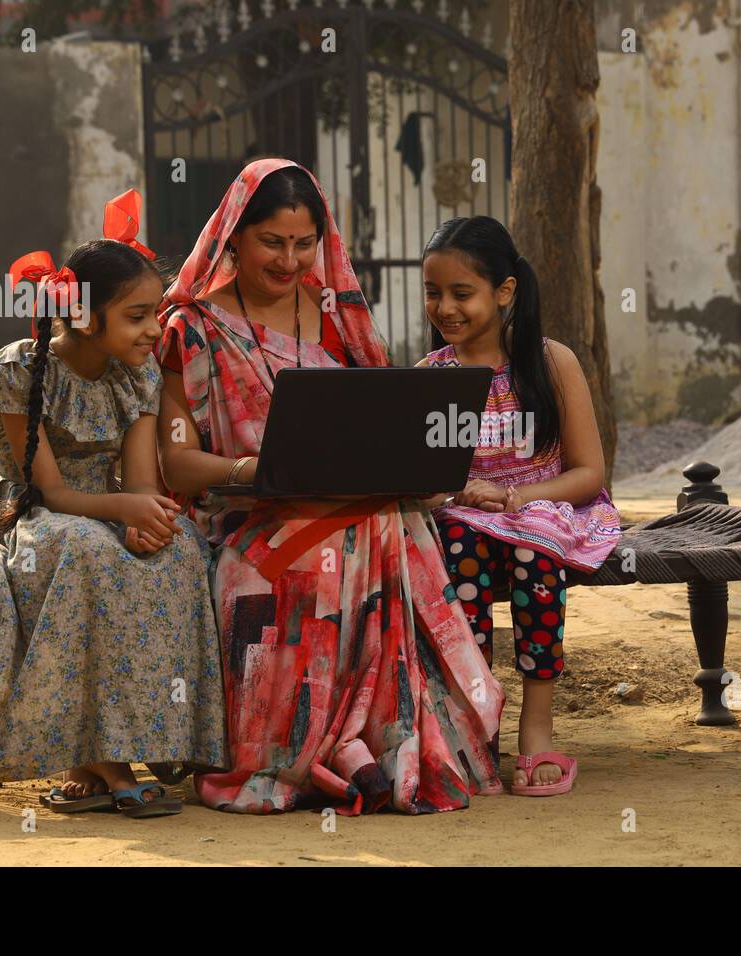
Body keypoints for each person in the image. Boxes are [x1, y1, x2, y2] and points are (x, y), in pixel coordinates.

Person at [156, 158, 504, 815]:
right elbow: (177, 466)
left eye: (304, 243)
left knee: (382, 527)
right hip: (251, 520)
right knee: (308, 566)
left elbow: (380, 421)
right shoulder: (192, 328)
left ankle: (365, 740)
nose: (290, 261)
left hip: (359, 505)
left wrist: (420, 467)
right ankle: (308, 751)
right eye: (272, 242)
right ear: (233, 236)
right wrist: (249, 470)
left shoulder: (336, 316)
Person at [0, 191, 227, 818]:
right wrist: (124, 512)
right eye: (137, 316)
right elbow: (51, 493)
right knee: (79, 551)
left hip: (110, 504)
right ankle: (108, 758)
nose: (156, 330)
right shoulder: (21, 369)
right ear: (84, 317)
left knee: (180, 552)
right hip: (27, 513)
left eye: (156, 313)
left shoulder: (138, 375)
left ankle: (129, 744)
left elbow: (140, 480)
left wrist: (146, 520)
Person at [417, 215, 622, 796]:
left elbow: (587, 473)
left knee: (535, 556)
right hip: (462, 517)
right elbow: (417, 480)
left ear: (504, 292)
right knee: (459, 552)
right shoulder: (429, 378)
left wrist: (517, 497)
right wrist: (450, 493)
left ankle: (537, 727)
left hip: (546, 507)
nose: (446, 308)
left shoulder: (550, 363)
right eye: (434, 293)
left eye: (462, 293)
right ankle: (475, 723)